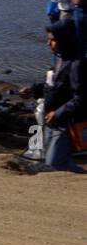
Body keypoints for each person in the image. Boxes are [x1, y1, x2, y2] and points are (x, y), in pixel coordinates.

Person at [34, 18, 87, 172]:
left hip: (66, 124)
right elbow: (54, 86)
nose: (48, 43)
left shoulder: (77, 65)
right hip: (52, 122)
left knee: (54, 165)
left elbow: (81, 98)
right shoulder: (59, 59)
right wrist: (34, 89)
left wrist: (58, 113)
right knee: (54, 163)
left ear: (64, 40)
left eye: (52, 40)